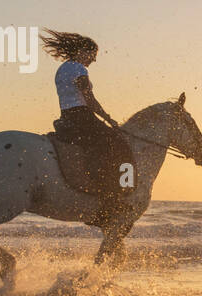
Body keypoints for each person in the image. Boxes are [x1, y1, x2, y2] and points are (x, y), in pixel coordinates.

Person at [41, 29, 133, 224]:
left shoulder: (62, 69)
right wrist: (108, 118)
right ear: (83, 51)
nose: (94, 60)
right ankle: (117, 196)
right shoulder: (80, 69)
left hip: (66, 117)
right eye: (93, 55)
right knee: (120, 146)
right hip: (82, 117)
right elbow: (89, 99)